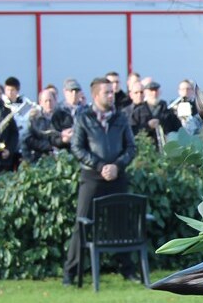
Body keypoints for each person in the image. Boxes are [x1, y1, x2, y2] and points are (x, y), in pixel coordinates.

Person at [63, 77, 137, 285]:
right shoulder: (83, 118)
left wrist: (117, 166)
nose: (112, 95)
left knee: (121, 222)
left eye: (112, 92)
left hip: (117, 176)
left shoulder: (121, 118)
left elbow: (131, 148)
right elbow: (77, 148)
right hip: (92, 177)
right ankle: (71, 273)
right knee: (82, 223)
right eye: (107, 92)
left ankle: (127, 269)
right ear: (96, 95)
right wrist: (99, 166)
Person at [24, 88, 72, 162]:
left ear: (55, 101)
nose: (48, 103)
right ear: (40, 102)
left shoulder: (63, 117)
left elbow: (67, 136)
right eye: (46, 101)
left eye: (50, 100)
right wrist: (48, 147)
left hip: (61, 157)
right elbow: (29, 139)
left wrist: (63, 141)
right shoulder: (34, 119)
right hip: (40, 157)